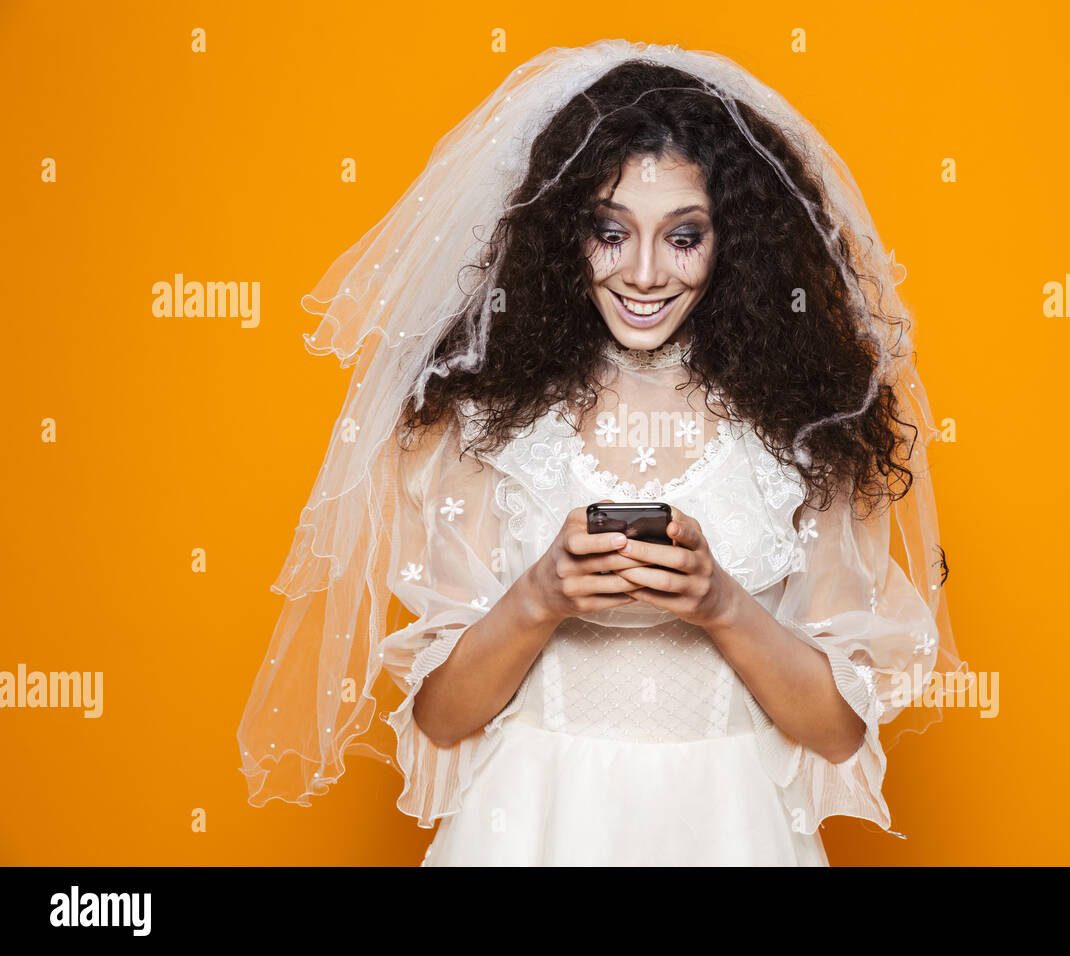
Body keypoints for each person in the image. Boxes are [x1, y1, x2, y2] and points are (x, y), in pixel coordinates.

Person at [238, 40, 963, 866]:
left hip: (730, 834)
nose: (645, 273)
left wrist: (721, 603)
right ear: (563, 236)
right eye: (610, 232)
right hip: (527, 827)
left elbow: (836, 733)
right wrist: (541, 595)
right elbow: (441, 719)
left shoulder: (802, 428)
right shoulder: (487, 422)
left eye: (683, 236)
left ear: (736, 244)